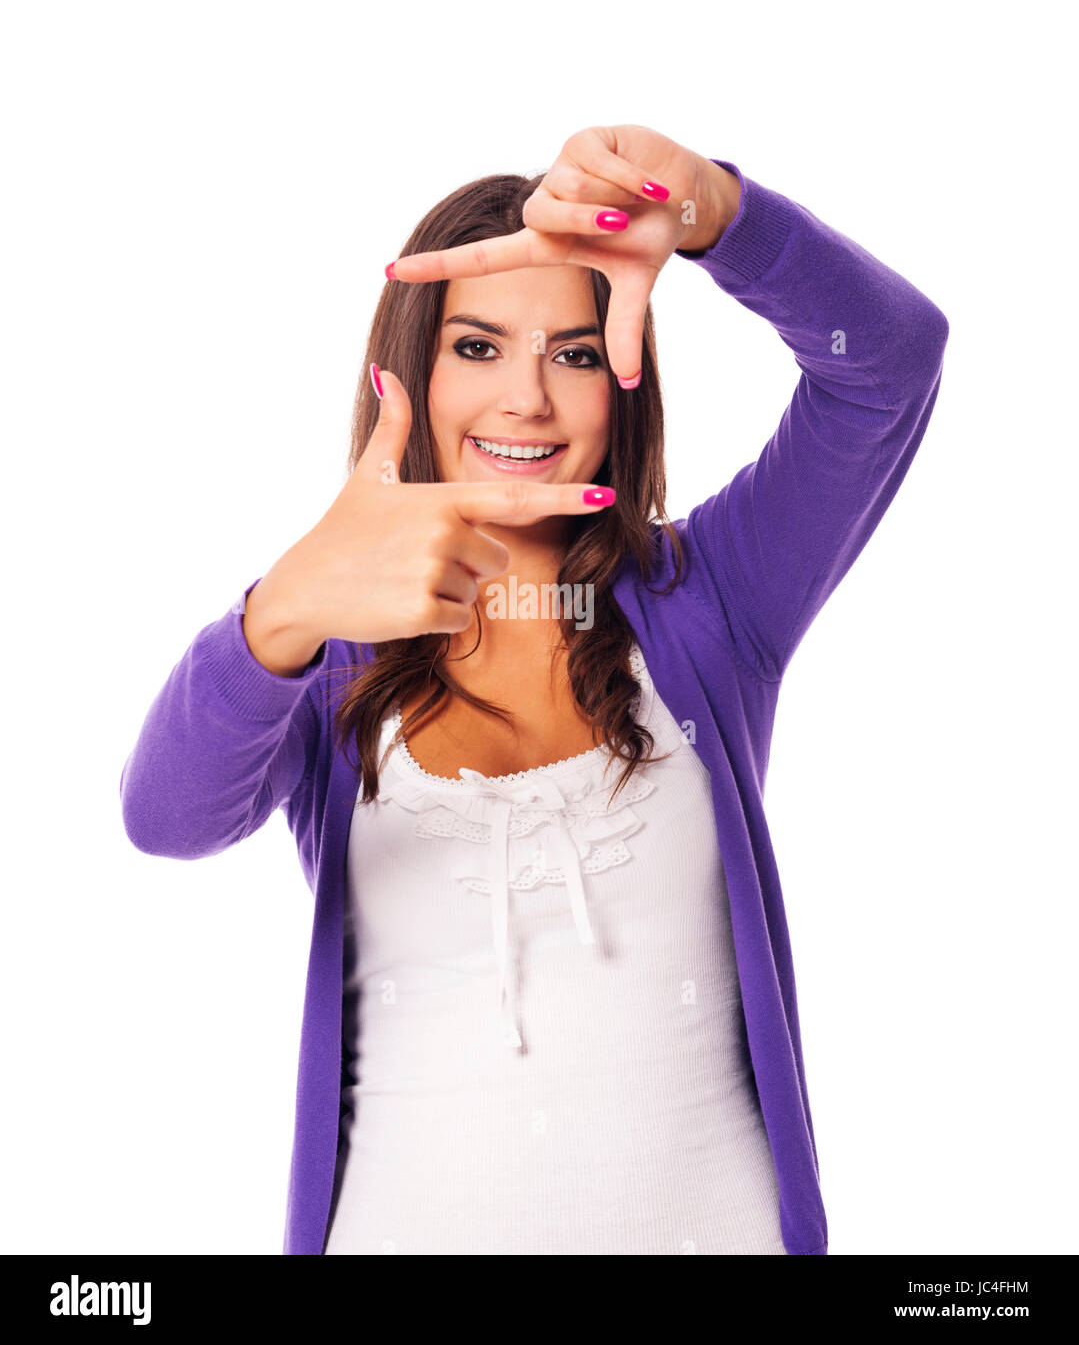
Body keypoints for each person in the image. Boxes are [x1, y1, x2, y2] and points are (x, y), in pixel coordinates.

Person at [120, 124, 949, 1255]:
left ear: (623, 376)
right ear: (406, 373)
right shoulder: (330, 656)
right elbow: (166, 821)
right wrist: (281, 611)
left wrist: (719, 216)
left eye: (570, 351)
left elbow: (888, 363)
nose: (525, 401)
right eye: (476, 347)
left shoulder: (714, 597)